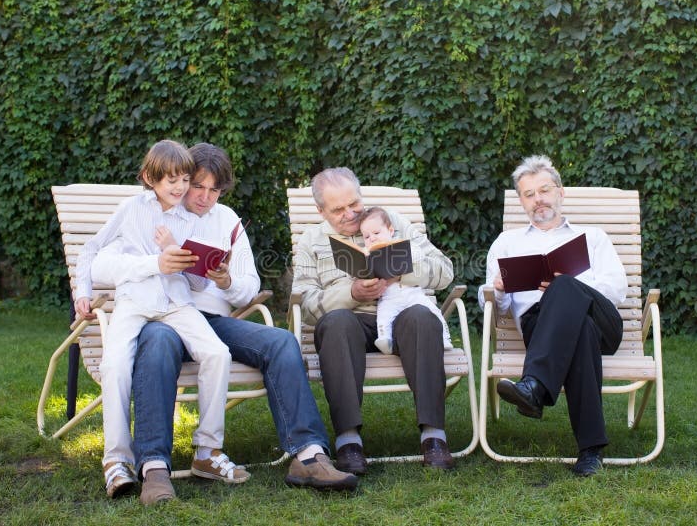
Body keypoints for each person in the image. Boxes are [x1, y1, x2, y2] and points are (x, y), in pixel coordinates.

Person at [91, 143, 357, 505]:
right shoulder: (157, 213)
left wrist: (225, 280)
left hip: (215, 320)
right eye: (197, 186)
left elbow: (249, 289)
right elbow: (110, 259)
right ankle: (154, 467)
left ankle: (308, 455)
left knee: (281, 342)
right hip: (163, 316)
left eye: (214, 190)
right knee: (157, 343)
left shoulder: (227, 220)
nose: (204, 197)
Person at [74, 140, 247, 499]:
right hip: (134, 302)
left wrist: (211, 270)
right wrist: (82, 293)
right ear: (149, 179)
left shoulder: (187, 217)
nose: (182, 188)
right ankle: (117, 461)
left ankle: (207, 451)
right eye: (173, 181)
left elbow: (194, 279)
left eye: (185, 179)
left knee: (218, 354)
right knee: (116, 365)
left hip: (177, 303)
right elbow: (91, 250)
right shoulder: (130, 209)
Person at [292, 167, 456, 473]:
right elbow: (306, 303)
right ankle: (348, 441)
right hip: (351, 323)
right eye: (338, 209)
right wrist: (352, 292)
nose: (350, 213)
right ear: (320, 210)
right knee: (337, 322)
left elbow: (444, 271)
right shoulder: (310, 241)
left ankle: (435, 436)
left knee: (422, 317)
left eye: (354, 203)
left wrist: (401, 270)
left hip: (400, 318)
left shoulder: (391, 222)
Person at [478, 155, 627, 476]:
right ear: (521, 201)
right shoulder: (507, 242)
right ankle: (591, 451)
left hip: (603, 322)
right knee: (580, 331)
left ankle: (534, 386)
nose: (538, 200)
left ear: (561, 192)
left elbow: (617, 290)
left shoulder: (593, 237)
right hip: (541, 329)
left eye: (544, 190)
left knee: (565, 288)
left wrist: (567, 285)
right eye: (529, 194)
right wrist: (498, 288)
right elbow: (494, 306)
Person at [358, 206, 452, 355]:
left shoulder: (400, 244)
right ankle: (384, 339)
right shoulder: (368, 252)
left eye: (376, 233)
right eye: (367, 237)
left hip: (411, 293)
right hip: (388, 297)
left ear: (390, 231)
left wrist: (404, 257)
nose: (372, 238)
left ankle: (444, 338)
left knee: (432, 311)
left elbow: (418, 254)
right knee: (383, 316)